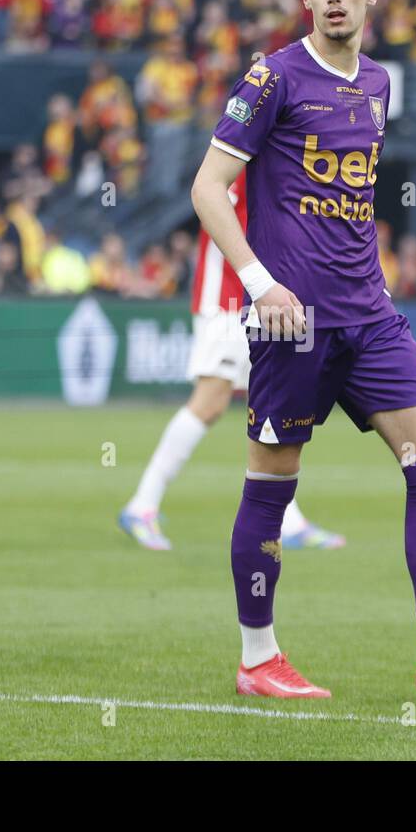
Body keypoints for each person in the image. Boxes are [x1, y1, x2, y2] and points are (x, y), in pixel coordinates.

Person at [191, 0, 416, 701]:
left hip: (369, 316)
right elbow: (207, 188)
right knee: (272, 487)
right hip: (291, 322)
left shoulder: (377, 84)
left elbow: (348, 201)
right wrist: (259, 280)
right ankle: (257, 658)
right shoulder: (272, 79)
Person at [118, 169, 345, 552]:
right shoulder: (244, 152)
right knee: (210, 401)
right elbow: (217, 208)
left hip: (263, 299)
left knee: (277, 401)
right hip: (225, 298)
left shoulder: (274, 152)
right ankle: (142, 505)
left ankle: (288, 519)